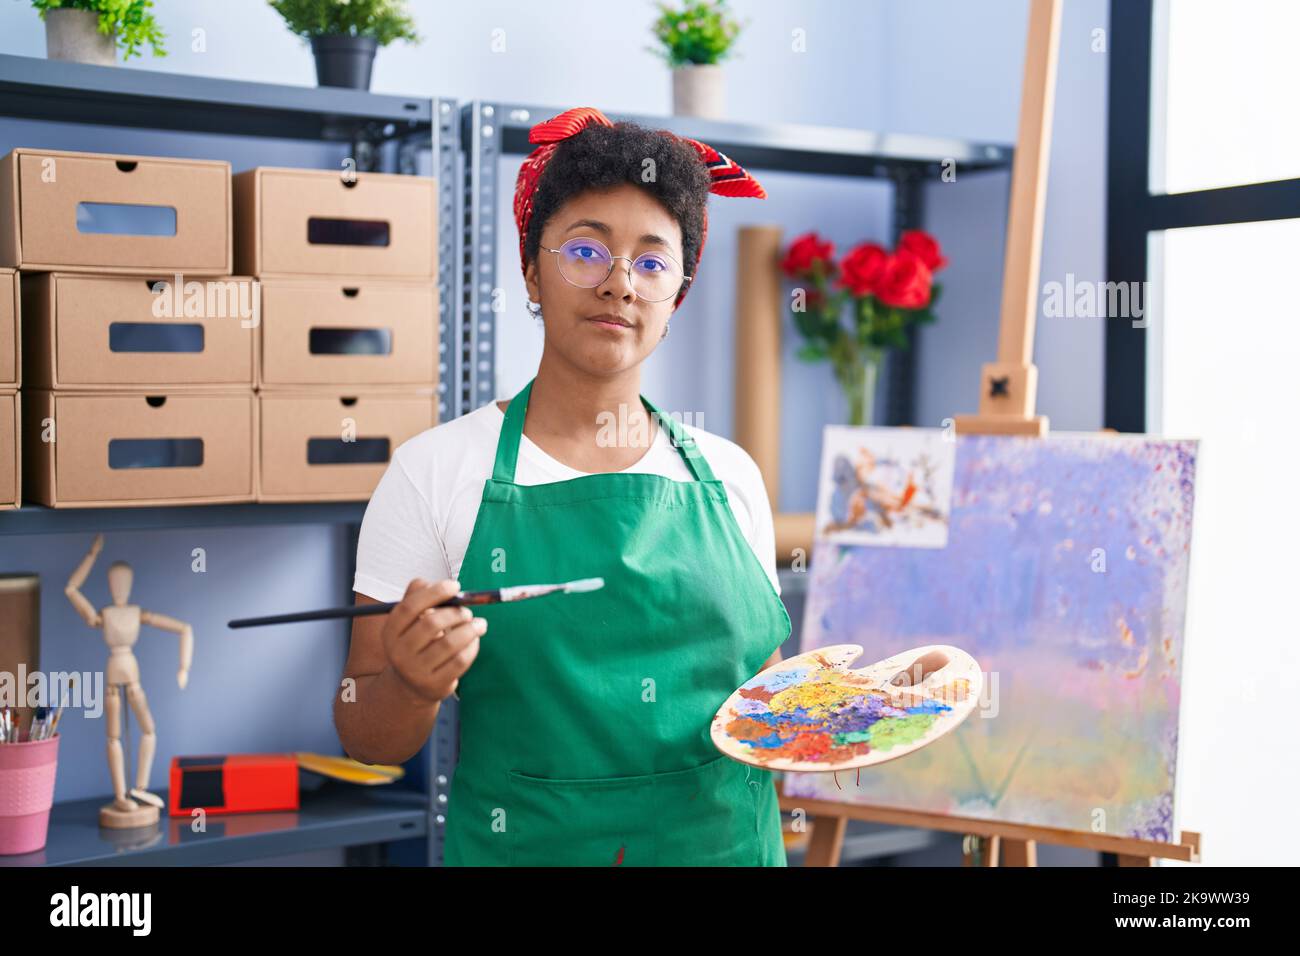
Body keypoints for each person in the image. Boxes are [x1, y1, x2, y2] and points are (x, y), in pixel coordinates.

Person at [336, 106, 791, 866]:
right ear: (531, 272)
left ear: (676, 296)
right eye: (586, 250)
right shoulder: (436, 471)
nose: (619, 283)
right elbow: (364, 736)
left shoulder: (733, 477)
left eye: (652, 262)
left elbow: (768, 708)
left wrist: (862, 715)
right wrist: (411, 686)